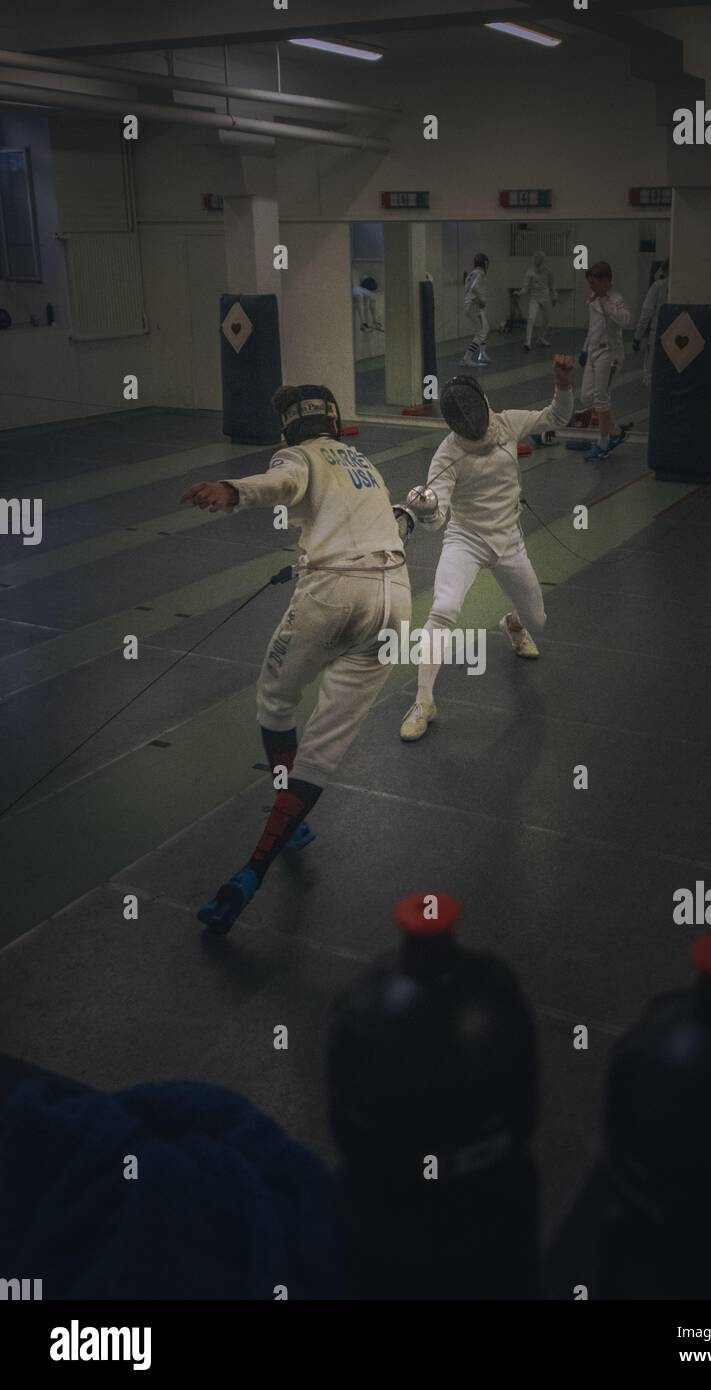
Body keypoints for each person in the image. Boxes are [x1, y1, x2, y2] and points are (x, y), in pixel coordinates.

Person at [179, 384, 415, 932]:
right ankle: (260, 862)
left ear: (289, 425)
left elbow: (283, 483)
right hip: (396, 599)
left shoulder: (297, 455)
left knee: (275, 702)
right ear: (332, 419)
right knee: (323, 748)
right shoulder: (364, 463)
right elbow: (382, 525)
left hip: (331, 593)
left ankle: (281, 817)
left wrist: (234, 490)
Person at [399, 356, 575, 743]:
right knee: (443, 609)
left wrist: (562, 387)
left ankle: (512, 623)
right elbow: (440, 515)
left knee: (539, 621)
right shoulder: (447, 454)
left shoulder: (508, 422)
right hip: (466, 538)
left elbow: (556, 419)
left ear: (483, 402)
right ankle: (424, 701)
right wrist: (426, 507)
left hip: (509, 540)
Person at [579, 261, 630, 462]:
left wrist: (607, 306)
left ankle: (603, 443)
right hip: (593, 352)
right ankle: (616, 432)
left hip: (610, 355)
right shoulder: (592, 299)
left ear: (606, 280)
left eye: (594, 283)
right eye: (589, 283)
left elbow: (626, 320)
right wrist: (584, 349)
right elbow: (593, 328)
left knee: (601, 398)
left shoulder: (616, 299)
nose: (591, 287)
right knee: (586, 397)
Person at [632, 259, 669, 386]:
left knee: (650, 371)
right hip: (677, 331)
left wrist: (638, 336)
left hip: (657, 331)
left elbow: (646, 313)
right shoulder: (682, 287)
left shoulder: (658, 286)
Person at [521, 251, 556, 350]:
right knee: (531, 318)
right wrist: (520, 292)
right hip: (534, 298)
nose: (537, 265)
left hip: (545, 298)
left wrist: (554, 296)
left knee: (547, 320)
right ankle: (527, 342)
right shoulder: (529, 272)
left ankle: (540, 337)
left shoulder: (548, 271)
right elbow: (525, 287)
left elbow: (552, 286)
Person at [462, 252, 490, 367]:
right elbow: (474, 287)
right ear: (484, 263)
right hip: (473, 306)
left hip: (472, 305)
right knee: (481, 332)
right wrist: (482, 299)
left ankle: (482, 354)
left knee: (485, 328)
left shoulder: (471, 273)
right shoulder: (481, 273)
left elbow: (468, 288)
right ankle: (466, 358)